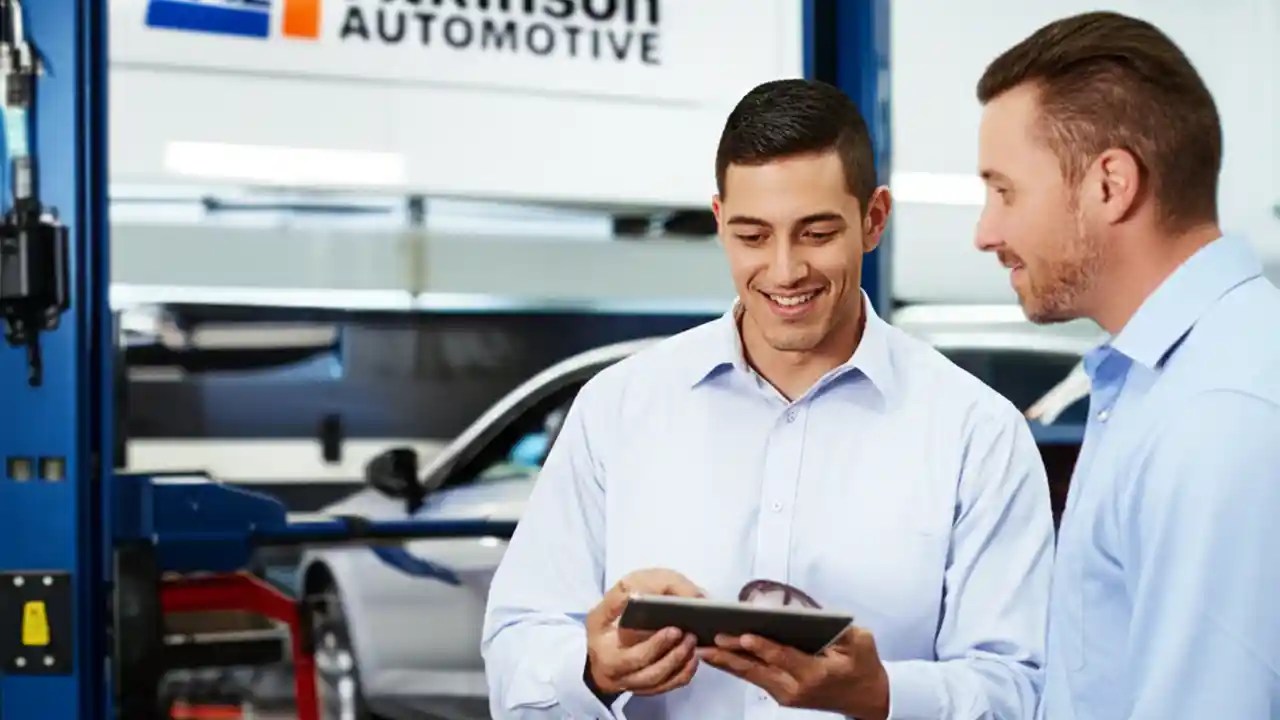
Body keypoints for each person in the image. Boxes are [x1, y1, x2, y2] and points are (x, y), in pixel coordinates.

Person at [482, 78, 1055, 719]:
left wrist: (882, 695)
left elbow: (1021, 689)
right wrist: (592, 669)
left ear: (873, 219)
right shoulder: (619, 408)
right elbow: (516, 645)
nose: (784, 272)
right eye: (753, 236)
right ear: (721, 220)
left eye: (815, 234)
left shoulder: (977, 434)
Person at [974, 11, 1280, 719]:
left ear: (1110, 184)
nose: (986, 231)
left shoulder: (1217, 412)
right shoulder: (1169, 378)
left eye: (1005, 190)